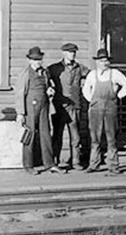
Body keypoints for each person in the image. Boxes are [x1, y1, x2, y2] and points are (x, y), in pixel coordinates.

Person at [80, 49, 126, 175]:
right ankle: (94, 164)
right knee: (95, 137)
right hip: (95, 108)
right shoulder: (92, 74)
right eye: (101, 61)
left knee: (111, 137)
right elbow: (85, 90)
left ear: (108, 62)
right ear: (97, 62)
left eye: (105, 61)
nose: (103, 63)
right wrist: (92, 100)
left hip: (110, 107)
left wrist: (118, 96)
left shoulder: (115, 73)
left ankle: (113, 166)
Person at [16, 45, 57, 174]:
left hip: (44, 106)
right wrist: (21, 113)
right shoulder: (25, 73)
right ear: (29, 60)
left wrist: (50, 90)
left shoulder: (45, 72)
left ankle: (49, 164)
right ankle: (28, 165)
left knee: (46, 134)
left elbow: (49, 85)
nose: (37, 62)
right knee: (30, 135)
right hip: (30, 107)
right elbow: (19, 93)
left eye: (39, 59)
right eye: (34, 59)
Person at [48, 42, 87, 171]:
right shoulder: (54, 68)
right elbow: (44, 78)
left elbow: (92, 76)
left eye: (74, 52)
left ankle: (75, 161)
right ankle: (55, 161)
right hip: (59, 106)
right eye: (70, 52)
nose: (72, 54)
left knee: (75, 136)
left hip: (74, 106)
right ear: (64, 53)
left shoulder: (80, 68)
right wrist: (49, 88)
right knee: (57, 135)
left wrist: (85, 84)